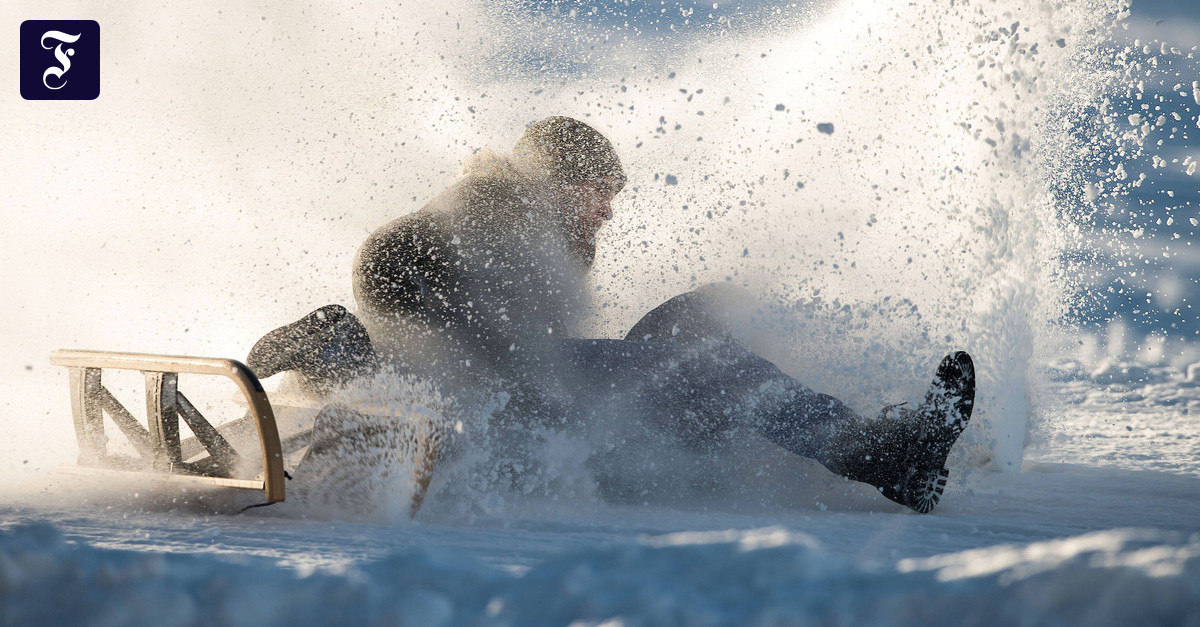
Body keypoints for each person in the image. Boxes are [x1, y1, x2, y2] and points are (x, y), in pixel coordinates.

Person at [247, 116, 975, 514]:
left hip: (514, 387)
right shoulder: (505, 211)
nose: (604, 213)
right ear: (555, 183)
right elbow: (397, 260)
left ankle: (337, 352)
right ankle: (880, 454)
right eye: (597, 192)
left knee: (694, 317)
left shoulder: (512, 227)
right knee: (707, 364)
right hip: (515, 410)